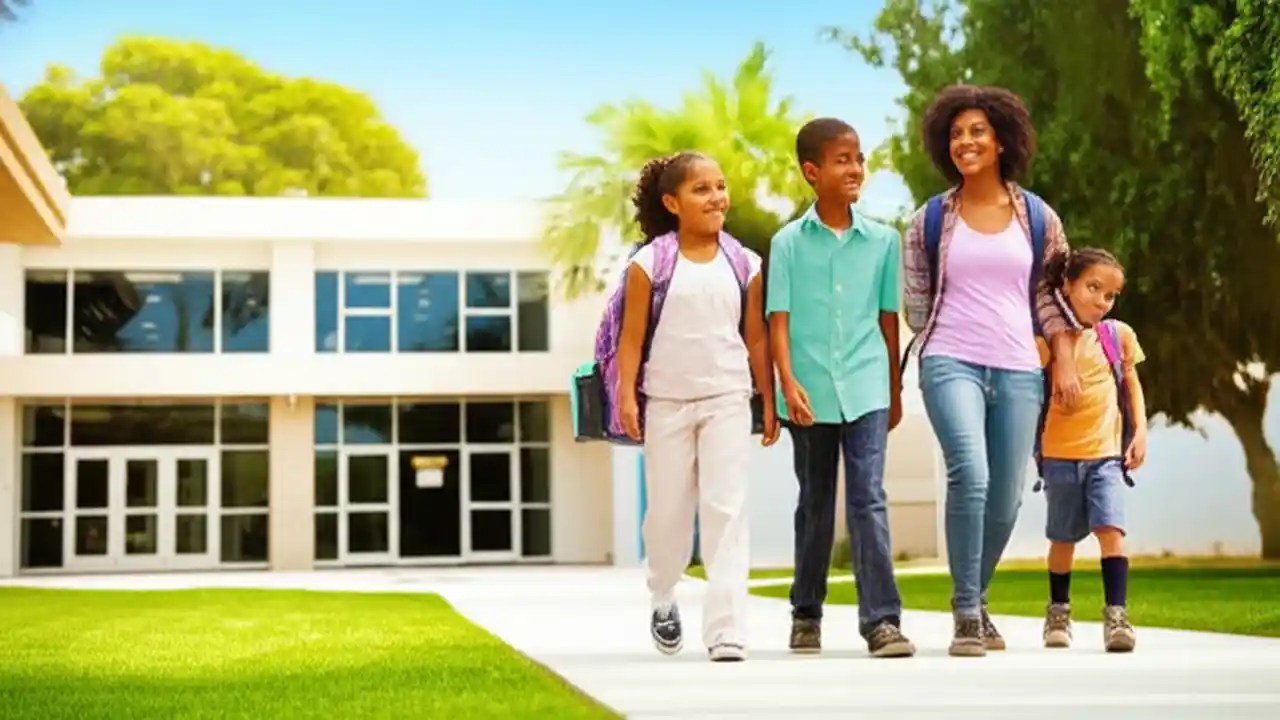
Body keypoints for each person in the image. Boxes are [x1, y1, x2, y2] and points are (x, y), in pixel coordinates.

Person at [902, 84, 1080, 657]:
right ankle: (964, 614)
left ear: (1001, 140)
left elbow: (1056, 300)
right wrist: (943, 343)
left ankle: (976, 600)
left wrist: (1066, 363)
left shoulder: (1037, 217)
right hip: (950, 358)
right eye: (955, 133)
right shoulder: (928, 221)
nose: (966, 141)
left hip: (1019, 368)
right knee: (970, 474)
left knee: (1006, 499)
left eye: (977, 131)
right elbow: (916, 305)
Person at [616, 151, 780, 662]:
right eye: (702, 189)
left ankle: (727, 628)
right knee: (667, 515)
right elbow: (631, 339)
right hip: (665, 400)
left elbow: (755, 339)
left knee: (726, 510)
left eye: (721, 187)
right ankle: (664, 592)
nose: (717, 198)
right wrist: (625, 395)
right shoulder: (649, 264)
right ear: (672, 202)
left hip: (727, 397)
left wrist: (767, 398)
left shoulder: (745, 263)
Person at [767, 117, 915, 658]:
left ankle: (882, 621)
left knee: (868, 498)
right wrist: (786, 383)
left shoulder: (882, 241)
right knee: (816, 502)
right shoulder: (786, 244)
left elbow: (887, 320)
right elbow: (776, 322)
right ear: (812, 171)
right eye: (842, 160)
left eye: (858, 159)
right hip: (807, 392)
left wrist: (895, 391)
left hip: (867, 385)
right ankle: (806, 611)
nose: (855, 169)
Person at [1034, 247, 1146, 653]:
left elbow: (1131, 385)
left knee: (1111, 531)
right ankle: (1058, 612)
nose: (1102, 300)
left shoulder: (1118, 336)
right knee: (1063, 538)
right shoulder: (1047, 341)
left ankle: (1117, 616)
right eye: (1093, 288)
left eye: (1110, 294)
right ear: (1067, 286)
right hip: (1059, 456)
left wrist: (1140, 432)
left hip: (1106, 456)